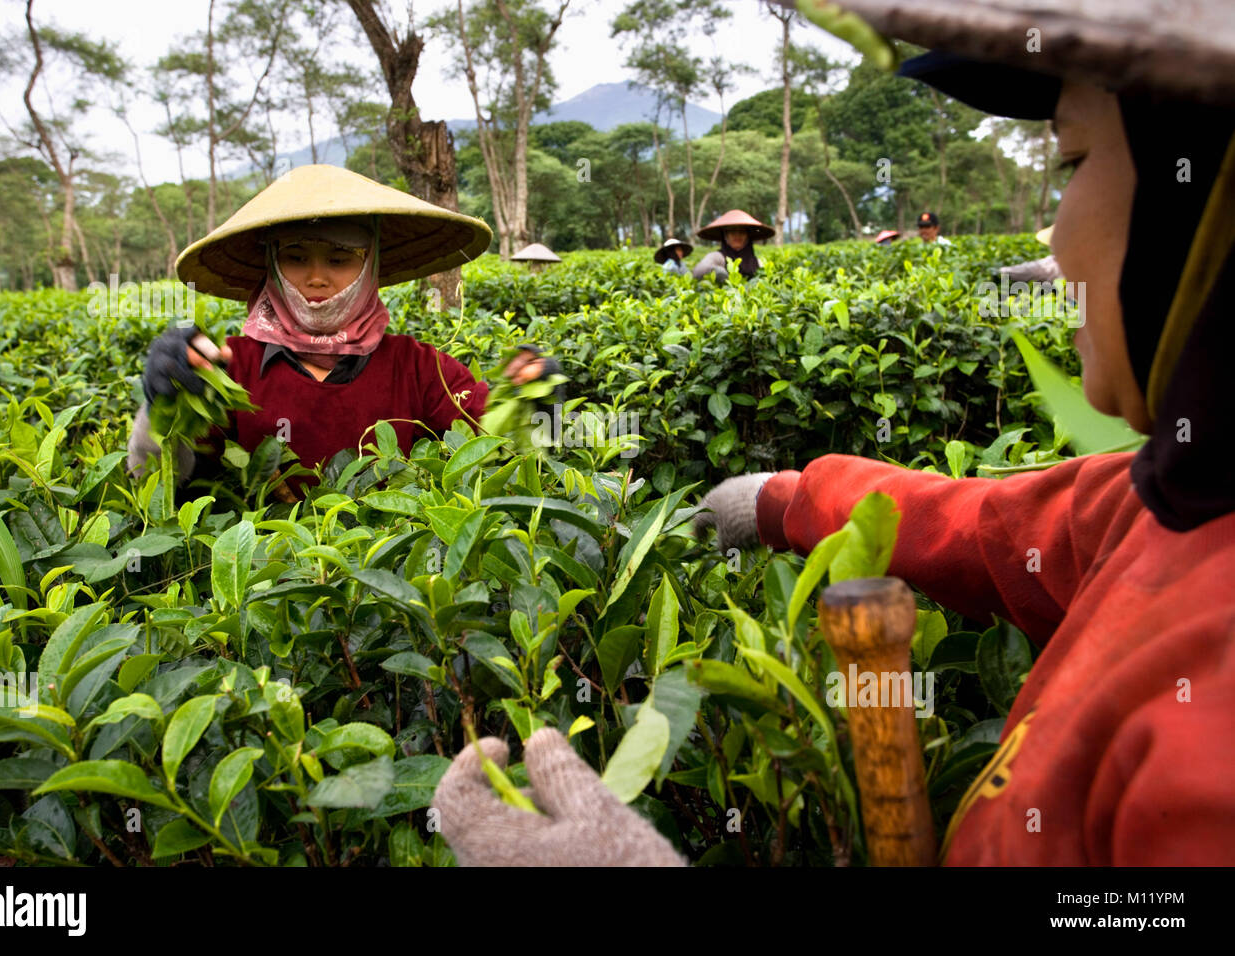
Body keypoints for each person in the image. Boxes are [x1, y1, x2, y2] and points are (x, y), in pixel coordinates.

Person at [432, 0, 1235, 866]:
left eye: (1074, 161)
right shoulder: (1179, 501)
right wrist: (788, 501)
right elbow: (992, 526)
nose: (1051, 247)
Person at [127, 164, 555, 496]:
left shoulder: (422, 369)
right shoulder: (230, 367)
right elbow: (159, 485)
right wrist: (162, 402)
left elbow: (503, 450)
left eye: (339, 259)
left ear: (371, 265)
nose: (316, 279)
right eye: (295, 258)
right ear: (271, 267)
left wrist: (538, 399)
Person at [690, 210, 775, 282]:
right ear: (725, 236)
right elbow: (698, 271)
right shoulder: (718, 257)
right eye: (732, 231)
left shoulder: (757, 262)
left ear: (748, 236)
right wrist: (717, 272)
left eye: (742, 231)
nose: (737, 235)